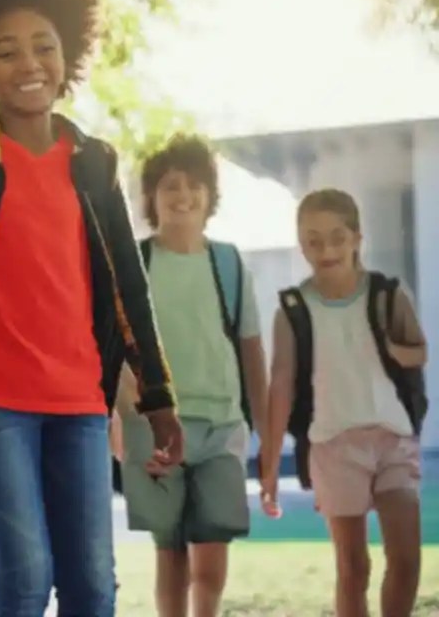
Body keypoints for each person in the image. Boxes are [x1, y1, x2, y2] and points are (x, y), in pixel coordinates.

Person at [0, 0, 183, 616]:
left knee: (92, 583)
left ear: (68, 55)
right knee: (25, 575)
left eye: (43, 46)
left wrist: (155, 392)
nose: (28, 64)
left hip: (79, 397)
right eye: (6, 50)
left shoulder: (94, 161)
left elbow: (127, 285)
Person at [115, 135, 268, 617]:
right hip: (157, 427)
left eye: (193, 186)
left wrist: (263, 433)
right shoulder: (137, 264)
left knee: (212, 551)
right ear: (152, 199)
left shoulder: (228, 262)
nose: (182, 196)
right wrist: (122, 426)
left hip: (222, 426)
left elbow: (251, 350)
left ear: (210, 196)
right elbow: (115, 354)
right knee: (171, 553)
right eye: (170, 186)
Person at [261, 189, 426, 617]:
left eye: (337, 237)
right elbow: (281, 386)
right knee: (353, 568)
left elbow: (419, 351)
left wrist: (391, 346)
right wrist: (270, 465)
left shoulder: (388, 294)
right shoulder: (294, 309)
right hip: (333, 446)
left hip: (393, 439)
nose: (326, 249)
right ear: (301, 245)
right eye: (313, 240)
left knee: (406, 560)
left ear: (357, 238)